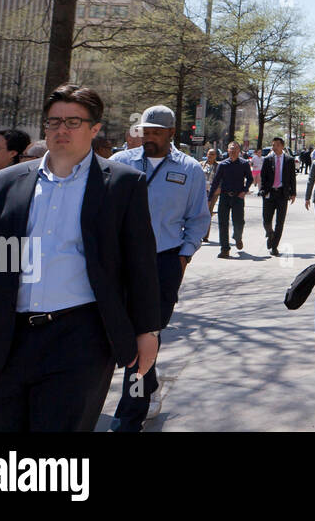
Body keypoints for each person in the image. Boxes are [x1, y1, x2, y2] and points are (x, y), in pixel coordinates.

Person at [0, 84, 161, 431]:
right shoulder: (7, 183)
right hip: (1, 338)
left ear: (95, 128)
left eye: (73, 122)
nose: (61, 130)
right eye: (54, 122)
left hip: (80, 340)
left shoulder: (123, 184)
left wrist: (147, 331)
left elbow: (140, 265)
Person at [108, 105, 209, 432]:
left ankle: (130, 415)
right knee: (134, 337)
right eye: (145, 131)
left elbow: (198, 219)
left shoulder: (190, 169)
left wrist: (183, 257)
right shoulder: (120, 163)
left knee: (147, 334)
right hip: (122, 262)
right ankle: (143, 392)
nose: (148, 138)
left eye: (155, 132)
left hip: (163, 262)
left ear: (170, 133)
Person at [208, 142, 253, 258]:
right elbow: (216, 182)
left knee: (239, 222)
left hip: (238, 197)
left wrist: (244, 190)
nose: (233, 151)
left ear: (239, 151)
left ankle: (238, 237)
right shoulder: (223, 165)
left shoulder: (244, 164)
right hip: (224, 196)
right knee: (223, 223)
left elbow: (250, 179)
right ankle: (225, 249)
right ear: (228, 151)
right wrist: (210, 198)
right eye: (231, 150)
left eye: (235, 149)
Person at [260, 136, 297, 256]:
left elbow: (292, 178)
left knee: (280, 222)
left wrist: (293, 193)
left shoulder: (289, 160)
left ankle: (274, 246)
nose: (274, 147)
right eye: (273, 145)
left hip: (282, 194)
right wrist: (262, 190)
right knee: (266, 220)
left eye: (276, 145)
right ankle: (270, 234)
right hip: (269, 194)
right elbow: (263, 176)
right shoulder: (267, 159)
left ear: (282, 146)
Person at [201, 147, 221, 242]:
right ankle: (198, 233)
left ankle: (205, 235)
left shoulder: (219, 166)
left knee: (208, 212)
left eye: (212, 154)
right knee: (199, 213)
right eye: (209, 154)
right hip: (201, 192)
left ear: (216, 156)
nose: (210, 156)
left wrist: (219, 189)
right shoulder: (201, 164)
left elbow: (222, 179)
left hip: (212, 193)